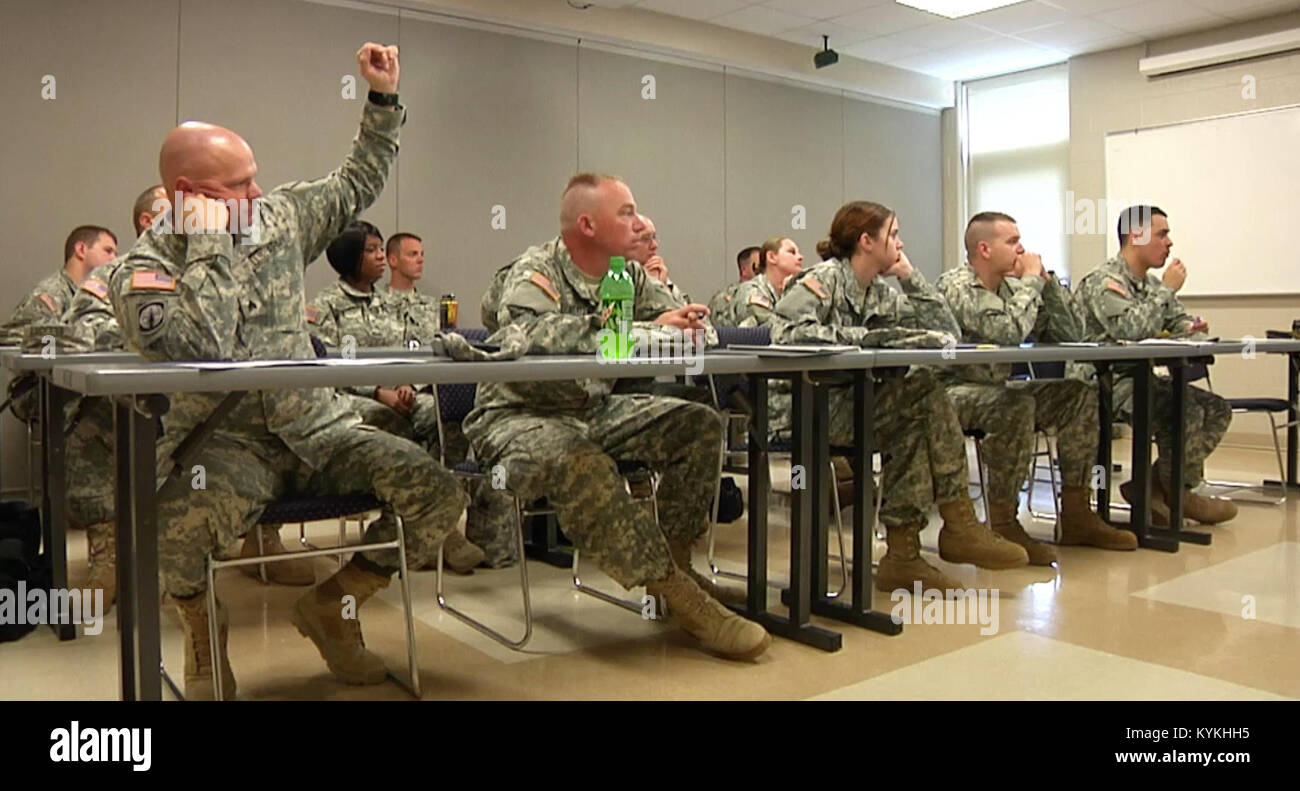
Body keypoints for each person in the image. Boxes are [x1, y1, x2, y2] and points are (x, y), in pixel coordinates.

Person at [108, 43, 471, 700]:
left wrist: (382, 99)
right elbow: (201, 339)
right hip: (227, 446)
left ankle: (336, 606)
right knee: (170, 533)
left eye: (255, 176)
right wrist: (211, 238)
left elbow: (356, 180)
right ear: (188, 196)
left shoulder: (278, 216)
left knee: (440, 495)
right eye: (238, 185)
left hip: (315, 424)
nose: (258, 192)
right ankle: (200, 626)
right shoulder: (141, 268)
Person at [464, 172, 769, 661]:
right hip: (517, 415)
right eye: (625, 212)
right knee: (581, 460)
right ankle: (677, 593)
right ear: (587, 224)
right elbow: (527, 333)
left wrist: (675, 321)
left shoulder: (625, 276)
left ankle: (677, 566)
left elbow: (693, 323)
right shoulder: (536, 269)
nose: (638, 222)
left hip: (592, 408)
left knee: (697, 425)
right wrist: (637, 328)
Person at [769, 200, 1030, 592]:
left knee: (914, 421)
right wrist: (872, 339)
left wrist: (909, 276)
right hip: (806, 406)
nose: (900, 242)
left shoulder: (878, 291)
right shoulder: (823, 279)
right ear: (866, 241)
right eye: (893, 234)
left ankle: (903, 555)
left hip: (853, 401)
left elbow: (947, 330)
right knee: (921, 396)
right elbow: (787, 334)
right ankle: (957, 521)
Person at [936, 212, 1137, 563]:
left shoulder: (1014, 287)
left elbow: (1073, 334)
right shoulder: (956, 285)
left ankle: (1076, 512)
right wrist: (1029, 282)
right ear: (984, 248)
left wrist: (1048, 285)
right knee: (1013, 403)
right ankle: (1002, 520)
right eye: (1012, 241)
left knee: (1077, 394)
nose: (1022, 248)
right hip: (949, 393)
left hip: (995, 390)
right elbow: (1007, 332)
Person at [310, 222, 485, 573]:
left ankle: (435, 517)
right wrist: (378, 391)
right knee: (391, 427)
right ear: (350, 257)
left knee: (443, 419)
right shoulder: (327, 304)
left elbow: (409, 350)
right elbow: (325, 363)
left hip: (401, 391)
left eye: (381, 250)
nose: (380, 258)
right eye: (372, 251)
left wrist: (408, 384)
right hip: (351, 397)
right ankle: (441, 534)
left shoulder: (390, 302)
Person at [1072, 205, 1235, 526]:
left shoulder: (1148, 285)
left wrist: (1193, 326)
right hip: (1101, 384)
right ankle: (1174, 493)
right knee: (1183, 409)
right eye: (1162, 234)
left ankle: (1158, 487)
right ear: (1136, 236)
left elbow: (1179, 322)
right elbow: (1129, 330)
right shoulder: (1104, 281)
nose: (1169, 242)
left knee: (1216, 409)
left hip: (1140, 379)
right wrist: (1166, 289)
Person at [706, 246, 759, 320]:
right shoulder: (722, 299)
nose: (763, 271)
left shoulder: (769, 295)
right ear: (744, 270)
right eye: (758, 267)